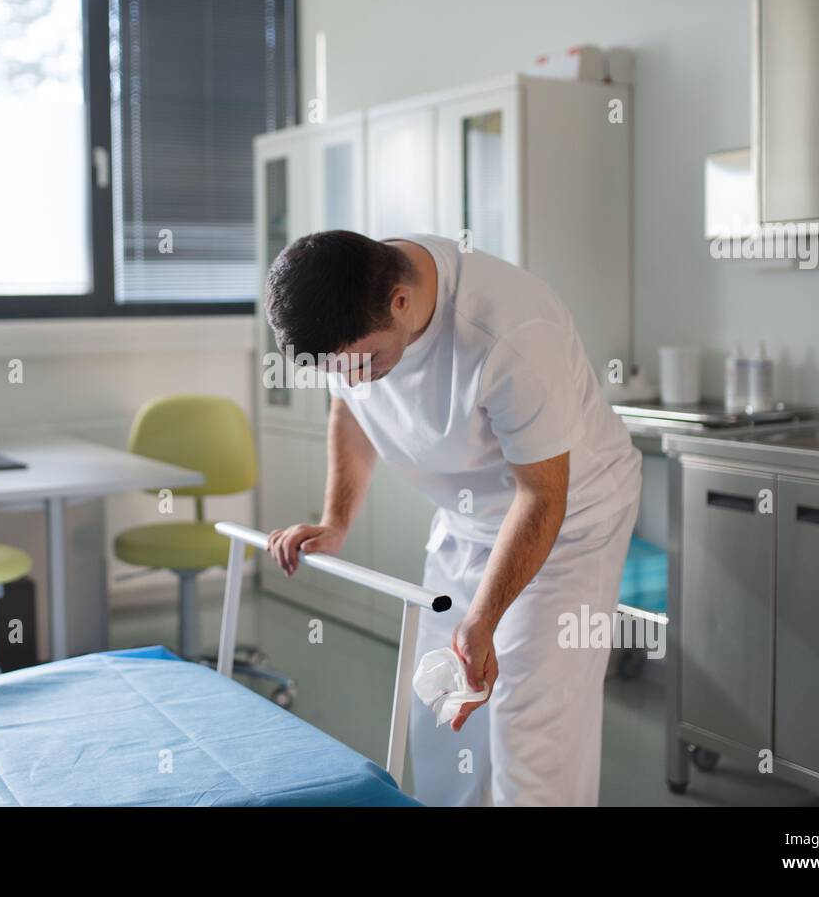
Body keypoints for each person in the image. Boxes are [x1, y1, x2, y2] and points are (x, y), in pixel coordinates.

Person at [262, 230, 641, 806]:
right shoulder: (353, 307)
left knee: (530, 723)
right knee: (441, 701)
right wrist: (335, 520)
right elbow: (351, 410)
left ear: (401, 302)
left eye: (364, 362)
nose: (356, 378)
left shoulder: (511, 332)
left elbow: (542, 497)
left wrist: (484, 618)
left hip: (570, 524)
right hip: (466, 521)